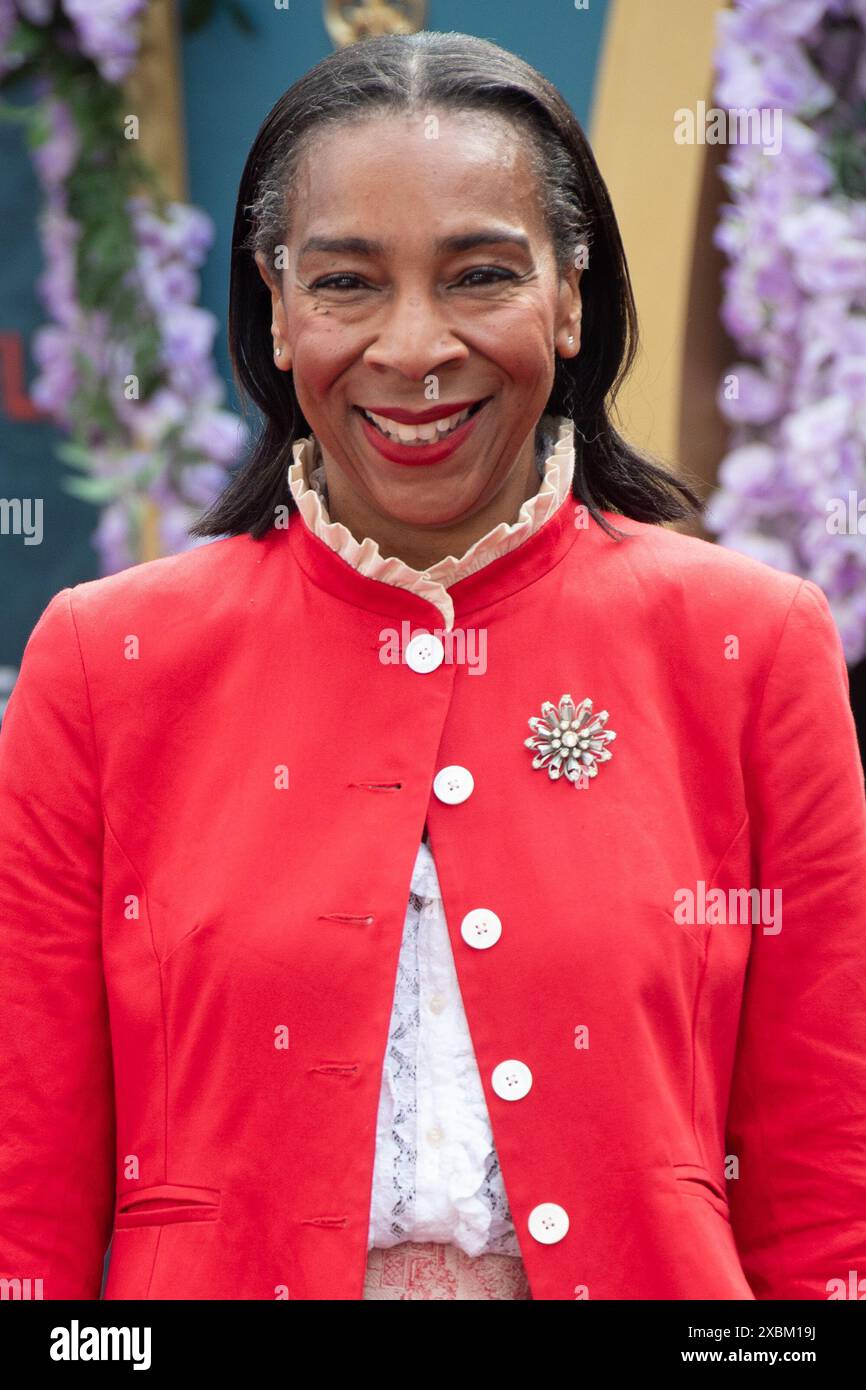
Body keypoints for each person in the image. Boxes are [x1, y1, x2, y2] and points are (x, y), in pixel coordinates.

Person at [1, 31, 865, 1302]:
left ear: (569, 297)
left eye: (478, 276)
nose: (413, 348)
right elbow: (28, 1214)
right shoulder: (106, 661)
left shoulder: (747, 647)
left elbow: (819, 1207)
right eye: (347, 283)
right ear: (278, 305)